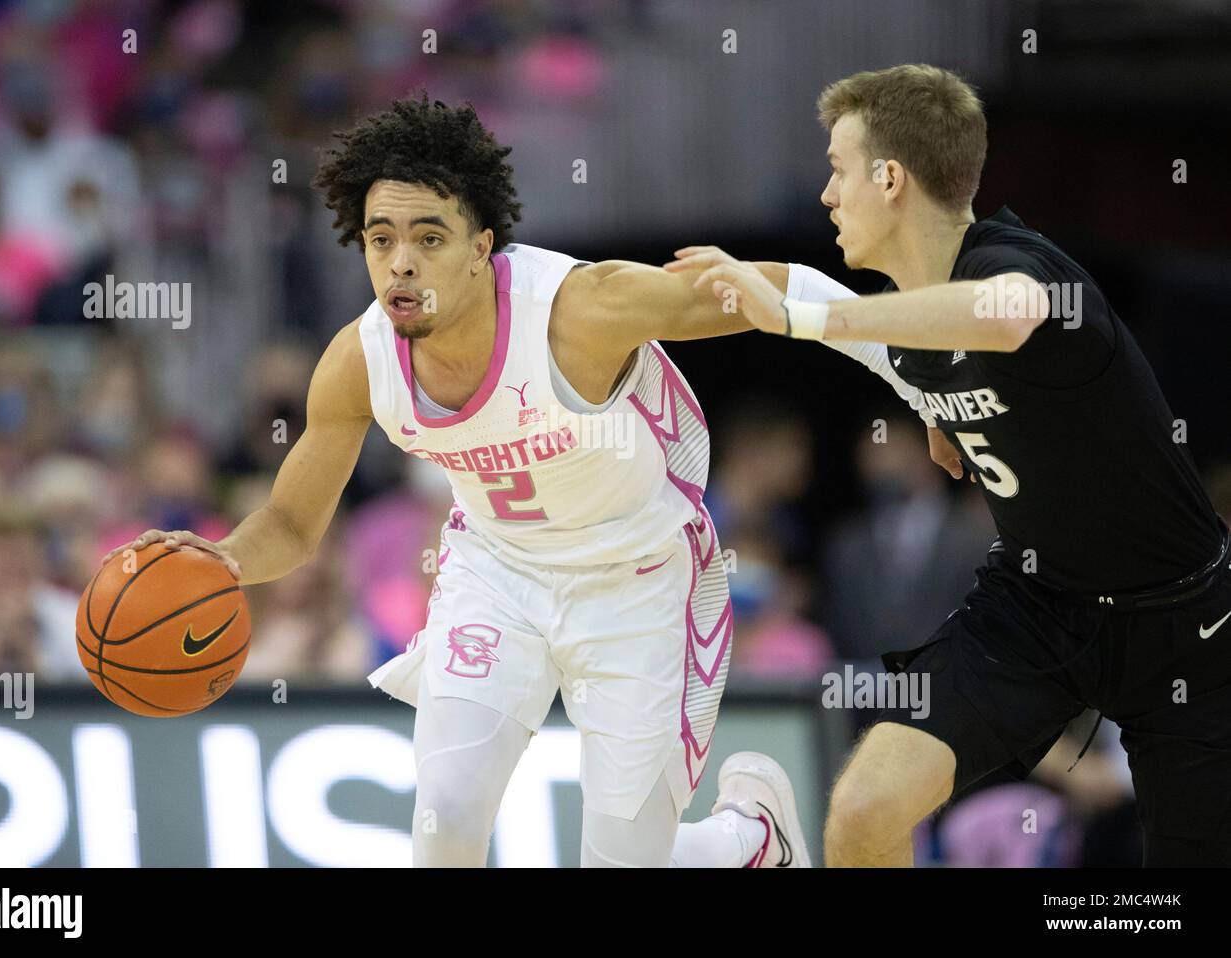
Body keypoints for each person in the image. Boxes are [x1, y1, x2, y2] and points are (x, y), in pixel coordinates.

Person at [107, 95, 927, 867]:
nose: (399, 262)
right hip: (498, 577)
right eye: (379, 238)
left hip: (640, 584)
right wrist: (224, 562)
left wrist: (922, 384)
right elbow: (290, 522)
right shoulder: (358, 362)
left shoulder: (578, 312)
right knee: (446, 824)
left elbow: (774, 290)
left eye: (428, 237)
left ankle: (745, 838)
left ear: (481, 245)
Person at [666, 63, 1231, 866]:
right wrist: (615, 301)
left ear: (890, 177)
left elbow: (1007, 316)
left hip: (1187, 621)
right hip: (1040, 609)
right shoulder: (906, 319)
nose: (826, 195)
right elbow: (807, 287)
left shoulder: (1017, 266)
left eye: (837, 168)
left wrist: (799, 316)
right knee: (863, 810)